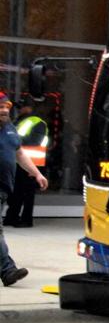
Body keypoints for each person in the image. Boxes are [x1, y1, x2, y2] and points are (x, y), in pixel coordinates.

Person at [0, 90, 48, 286]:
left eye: (6, 107)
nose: (4, 110)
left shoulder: (10, 128)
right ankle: (7, 270)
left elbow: (19, 154)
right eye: (1, 107)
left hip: (3, 188)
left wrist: (37, 173)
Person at [3, 93, 48, 227]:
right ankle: (12, 216)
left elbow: (35, 141)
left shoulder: (37, 122)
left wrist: (16, 141)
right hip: (19, 162)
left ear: (28, 107)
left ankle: (26, 219)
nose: (19, 109)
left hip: (32, 162)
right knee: (16, 192)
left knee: (28, 194)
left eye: (21, 107)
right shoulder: (18, 121)